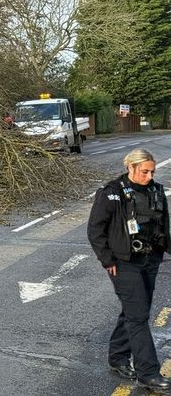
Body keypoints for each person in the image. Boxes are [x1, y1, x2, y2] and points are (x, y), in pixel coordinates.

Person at [88, 148, 171, 391]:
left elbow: (164, 227)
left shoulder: (156, 191)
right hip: (124, 262)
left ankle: (117, 357)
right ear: (131, 167)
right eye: (144, 172)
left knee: (134, 310)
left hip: (151, 260)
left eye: (152, 171)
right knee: (138, 317)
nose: (149, 176)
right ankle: (148, 373)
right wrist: (108, 260)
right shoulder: (111, 193)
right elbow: (95, 230)